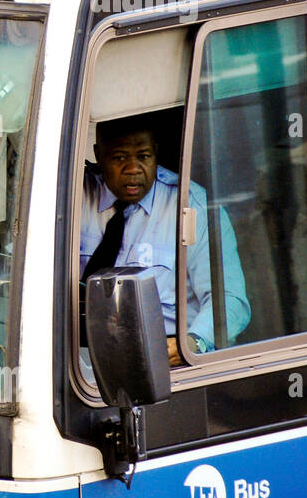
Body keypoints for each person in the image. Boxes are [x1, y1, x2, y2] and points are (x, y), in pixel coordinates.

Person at [81, 117, 250, 363]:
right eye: (119, 158)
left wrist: (193, 343)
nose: (133, 169)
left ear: (156, 152)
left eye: (144, 156)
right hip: (82, 357)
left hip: (162, 353)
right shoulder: (74, 198)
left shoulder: (191, 206)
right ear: (98, 154)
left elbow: (230, 299)